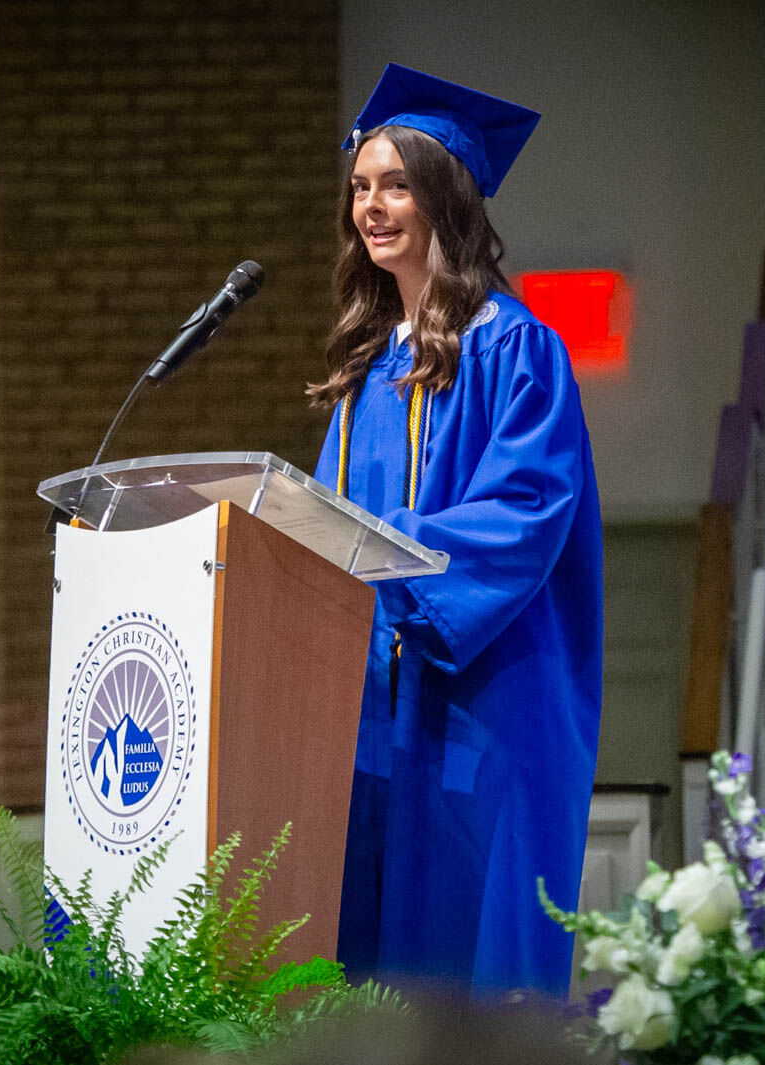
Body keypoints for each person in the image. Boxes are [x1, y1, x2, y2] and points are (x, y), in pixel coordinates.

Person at [308, 63, 603, 998]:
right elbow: (314, 531)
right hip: (374, 723)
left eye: (397, 184)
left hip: (481, 705)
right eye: (361, 186)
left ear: (447, 198)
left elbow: (523, 511)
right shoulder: (361, 378)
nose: (373, 205)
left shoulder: (515, 349)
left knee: (471, 973)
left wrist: (382, 551)